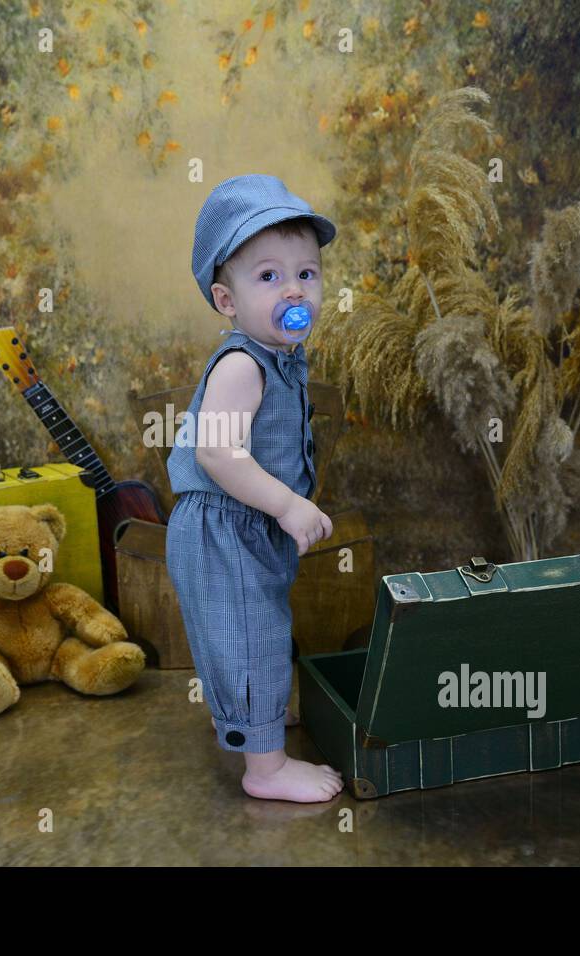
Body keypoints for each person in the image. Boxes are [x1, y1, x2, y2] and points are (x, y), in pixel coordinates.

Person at [166, 174, 344, 802]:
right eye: (268, 276)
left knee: (251, 632)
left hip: (247, 526)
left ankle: (253, 723)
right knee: (250, 636)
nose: (294, 289)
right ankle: (263, 768)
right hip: (222, 529)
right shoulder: (242, 364)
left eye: (307, 273)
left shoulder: (282, 359)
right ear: (226, 300)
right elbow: (217, 451)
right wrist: (288, 504)